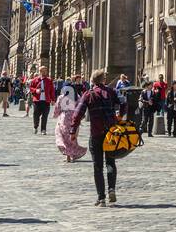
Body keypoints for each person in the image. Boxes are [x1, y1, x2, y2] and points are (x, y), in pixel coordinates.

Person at [70, 69, 126, 206]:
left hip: (96, 133)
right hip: (111, 133)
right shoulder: (111, 92)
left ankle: (101, 198)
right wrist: (120, 116)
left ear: (92, 81)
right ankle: (111, 189)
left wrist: (73, 131)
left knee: (98, 166)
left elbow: (78, 113)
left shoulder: (88, 94)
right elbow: (124, 102)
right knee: (110, 162)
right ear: (103, 80)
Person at [54, 76, 85, 163]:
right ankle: (73, 154)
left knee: (64, 137)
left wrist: (56, 115)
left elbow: (57, 108)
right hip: (74, 118)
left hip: (64, 118)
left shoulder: (61, 97)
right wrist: (81, 116)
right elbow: (80, 107)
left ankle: (68, 155)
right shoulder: (77, 96)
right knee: (72, 137)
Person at [29, 66, 56, 135]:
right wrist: (36, 90)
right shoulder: (35, 80)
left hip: (46, 100)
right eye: (43, 71)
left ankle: (43, 129)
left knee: (45, 116)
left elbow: (52, 91)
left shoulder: (49, 80)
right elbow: (31, 88)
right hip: (37, 100)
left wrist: (53, 100)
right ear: (40, 71)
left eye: (45, 71)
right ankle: (35, 127)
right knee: (36, 115)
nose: (44, 72)